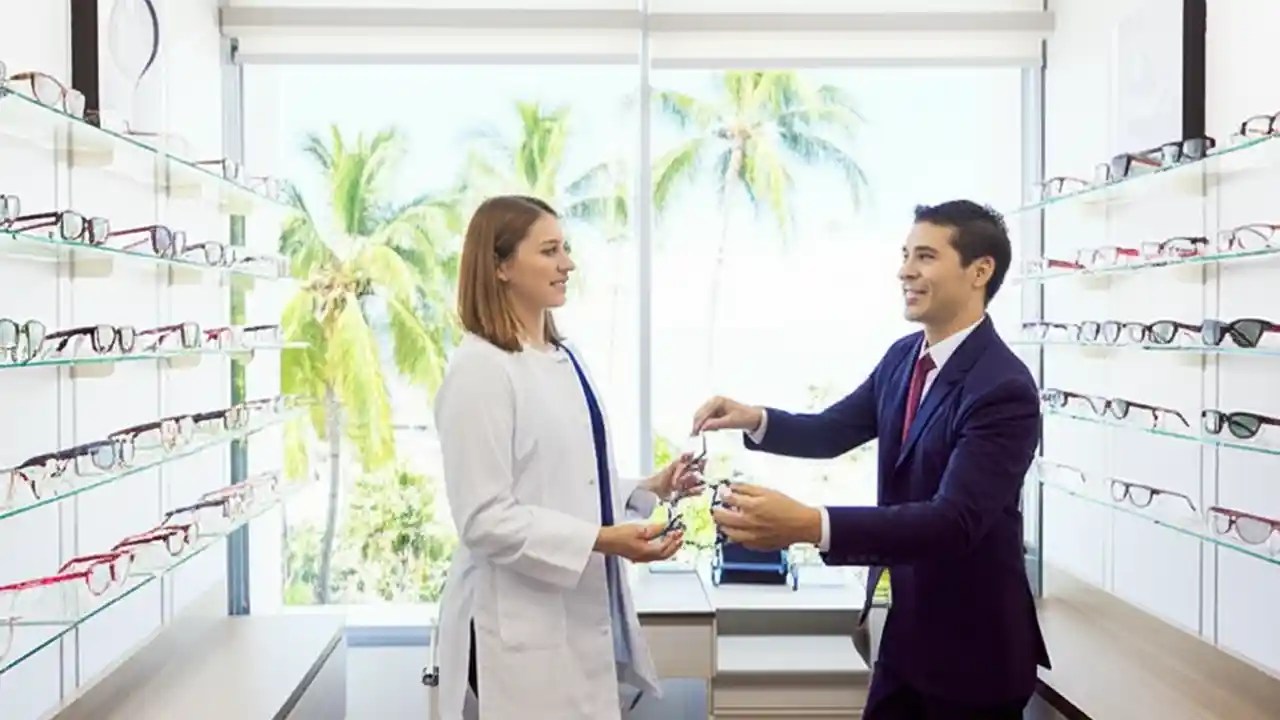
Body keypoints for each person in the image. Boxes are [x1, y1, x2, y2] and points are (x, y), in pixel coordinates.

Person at [692, 200, 1051, 719]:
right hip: (906, 641)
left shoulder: (1004, 389)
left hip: (975, 657)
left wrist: (810, 525)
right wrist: (754, 418)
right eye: (905, 255)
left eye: (925, 256)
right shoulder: (904, 357)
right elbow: (832, 430)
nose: (905, 270)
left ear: (980, 271)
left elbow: (953, 522)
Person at [430, 195, 702, 720]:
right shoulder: (480, 371)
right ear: (501, 266)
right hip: (518, 632)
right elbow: (483, 518)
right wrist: (603, 541)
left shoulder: (564, 355)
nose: (568, 264)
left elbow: (569, 480)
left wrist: (652, 487)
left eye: (567, 249)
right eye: (550, 251)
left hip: (575, 623)